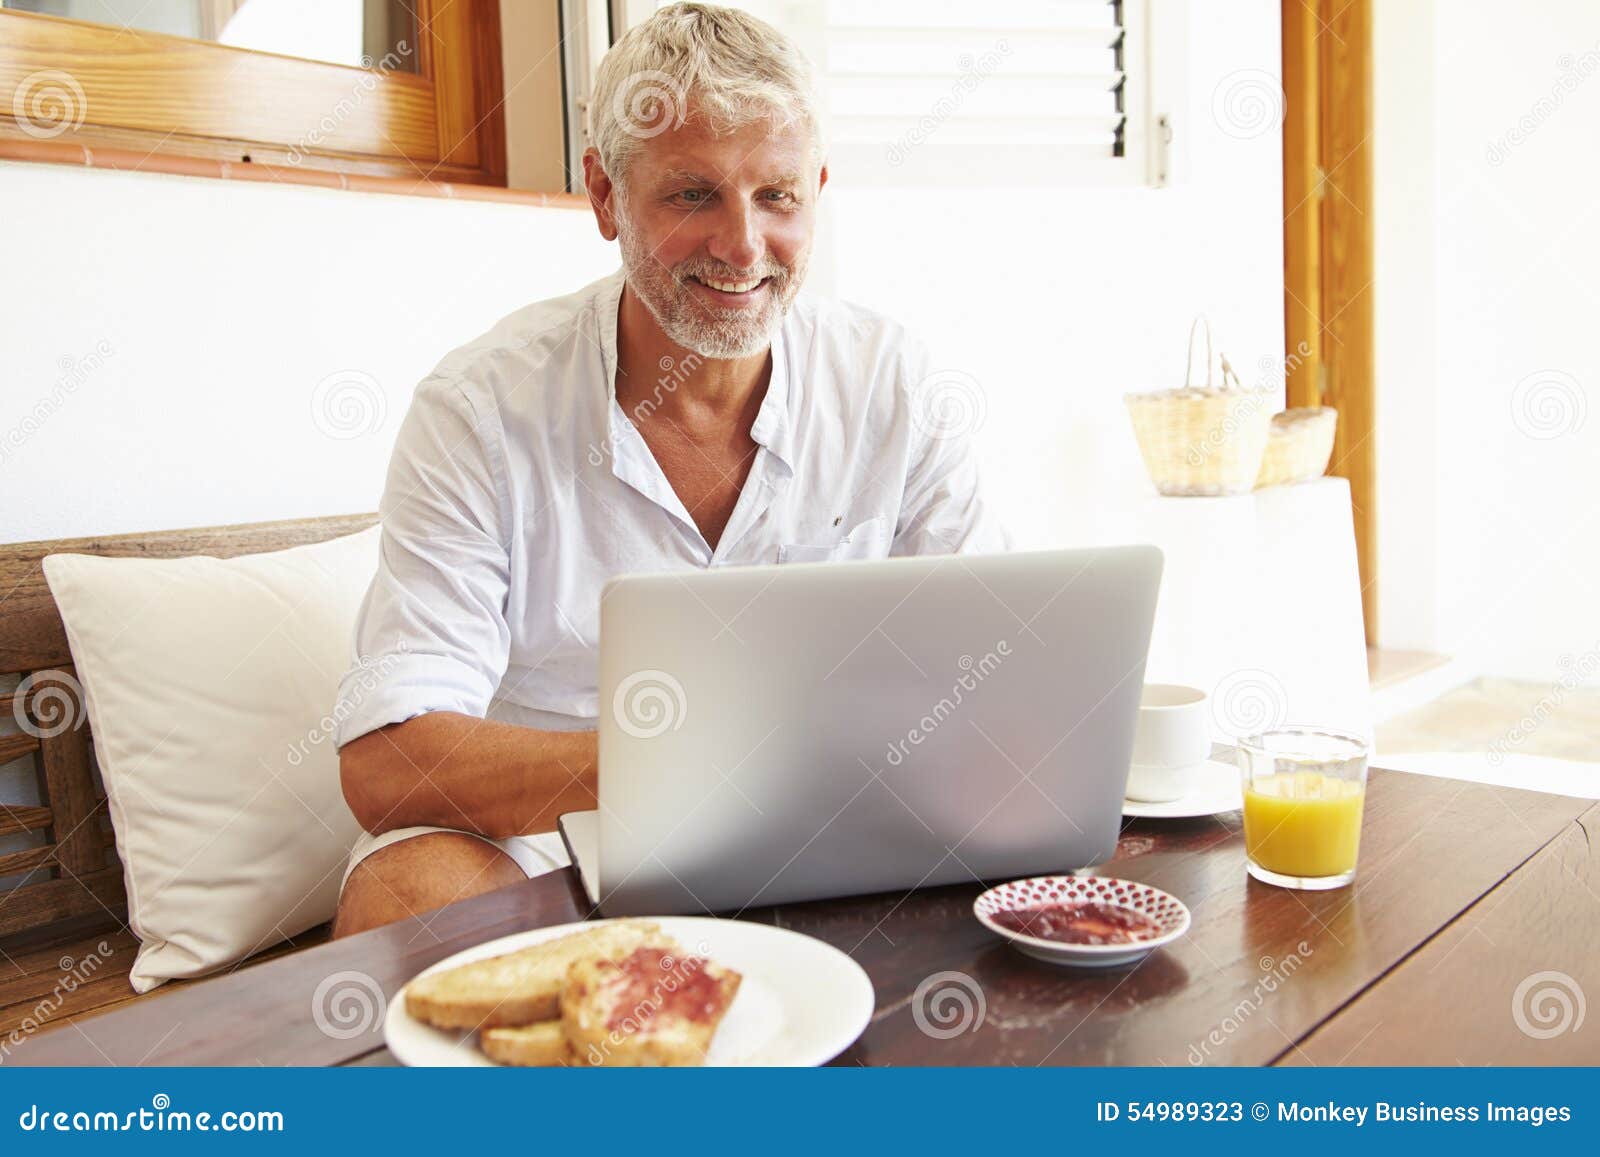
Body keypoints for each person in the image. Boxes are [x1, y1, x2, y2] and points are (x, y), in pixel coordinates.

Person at [330, 2, 1007, 937]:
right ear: (604, 195)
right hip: (548, 834)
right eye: (692, 195)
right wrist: (695, 764)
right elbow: (388, 764)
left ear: (816, 188)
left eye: (776, 197)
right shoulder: (479, 410)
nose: (742, 246)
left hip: (833, 818)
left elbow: (997, 671)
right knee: (408, 897)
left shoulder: (894, 382)